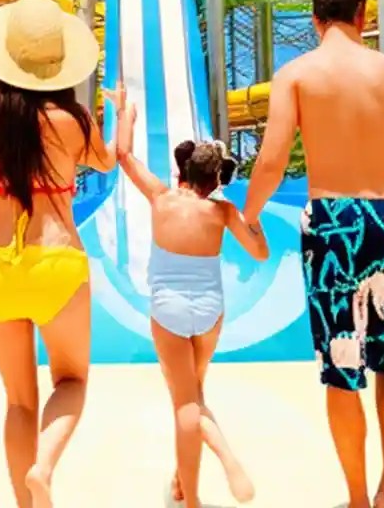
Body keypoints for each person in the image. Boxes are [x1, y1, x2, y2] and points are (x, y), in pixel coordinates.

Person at [240, 0, 384, 508]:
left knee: (341, 365)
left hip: (332, 223)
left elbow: (271, 160)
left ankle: (356, 498)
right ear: (362, 16)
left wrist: (250, 216)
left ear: (316, 20)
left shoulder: (297, 74)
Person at [0, 0, 126, 508]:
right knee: (71, 380)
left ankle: (26, 500)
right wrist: (120, 113)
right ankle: (44, 468)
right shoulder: (73, 120)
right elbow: (109, 163)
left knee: (18, 401)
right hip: (58, 262)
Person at [115, 99, 266, 508]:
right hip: (209, 312)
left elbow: (123, 156)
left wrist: (125, 116)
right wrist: (253, 218)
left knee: (185, 403)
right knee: (195, 394)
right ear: (215, 179)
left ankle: (201, 490)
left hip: (169, 311)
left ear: (183, 170)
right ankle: (182, 481)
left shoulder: (162, 198)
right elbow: (260, 253)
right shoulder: (222, 210)